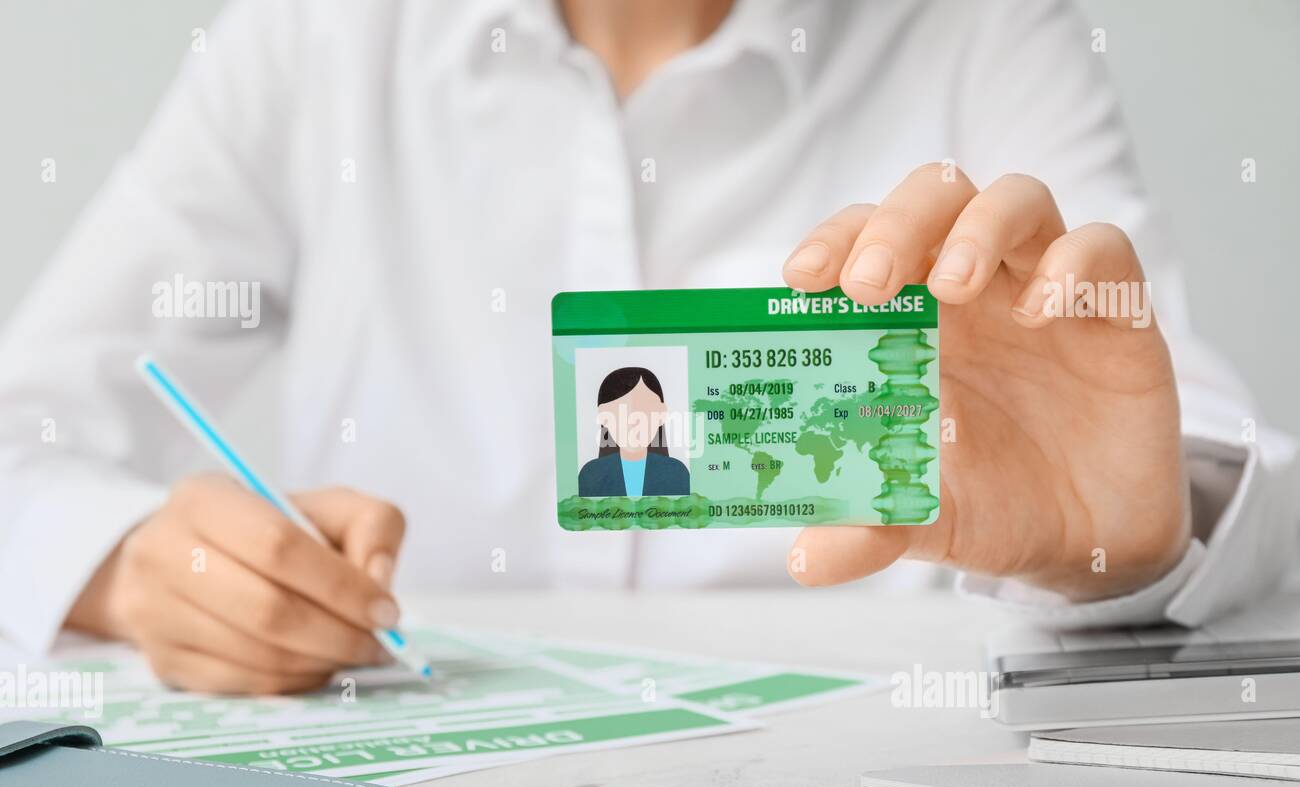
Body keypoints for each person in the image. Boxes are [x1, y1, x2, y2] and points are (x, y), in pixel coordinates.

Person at [0, 0, 1294, 694]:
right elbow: (25, 433)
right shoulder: (311, 38)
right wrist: (123, 567)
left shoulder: (982, 30)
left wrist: (1125, 530)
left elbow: (1191, 456)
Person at [578, 366, 690, 497]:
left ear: (661, 414)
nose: (634, 421)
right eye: (621, 411)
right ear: (604, 417)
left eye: (644, 409)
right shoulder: (591, 474)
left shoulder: (677, 473)